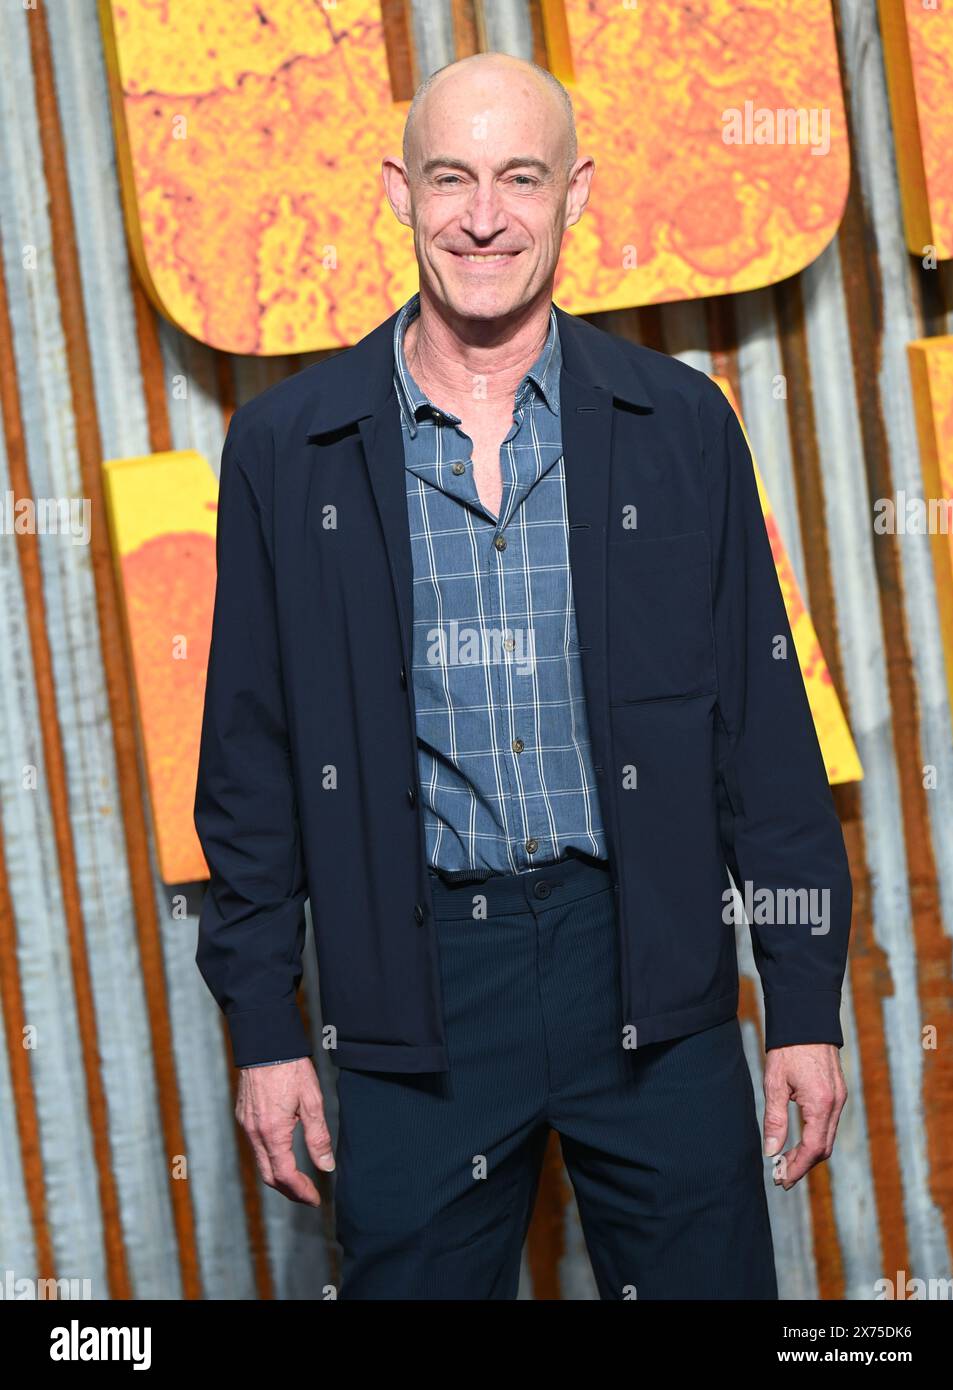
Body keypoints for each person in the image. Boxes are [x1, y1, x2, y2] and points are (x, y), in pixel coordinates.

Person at [194, 51, 852, 1300]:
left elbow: (763, 741)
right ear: (398, 190)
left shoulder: (680, 426)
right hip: (414, 994)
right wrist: (266, 1029)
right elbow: (252, 762)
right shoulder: (288, 450)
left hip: (650, 973)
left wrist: (804, 1002)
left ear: (574, 193)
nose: (483, 216)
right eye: (450, 178)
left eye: (518, 177)